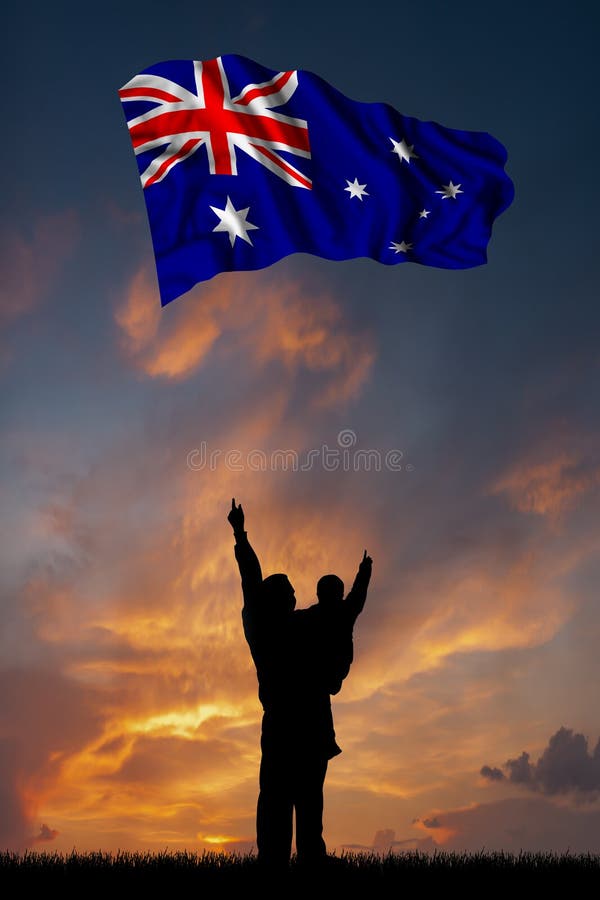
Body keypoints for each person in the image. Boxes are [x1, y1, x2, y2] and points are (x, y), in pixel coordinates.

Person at [227, 497, 372, 868]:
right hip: (292, 724)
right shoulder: (266, 629)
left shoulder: (301, 624)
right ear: (275, 600)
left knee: (304, 799)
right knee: (283, 798)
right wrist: (241, 536)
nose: (295, 594)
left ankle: (301, 858)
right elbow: (251, 580)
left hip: (302, 723)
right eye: (289, 590)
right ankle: (284, 860)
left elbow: (345, 611)